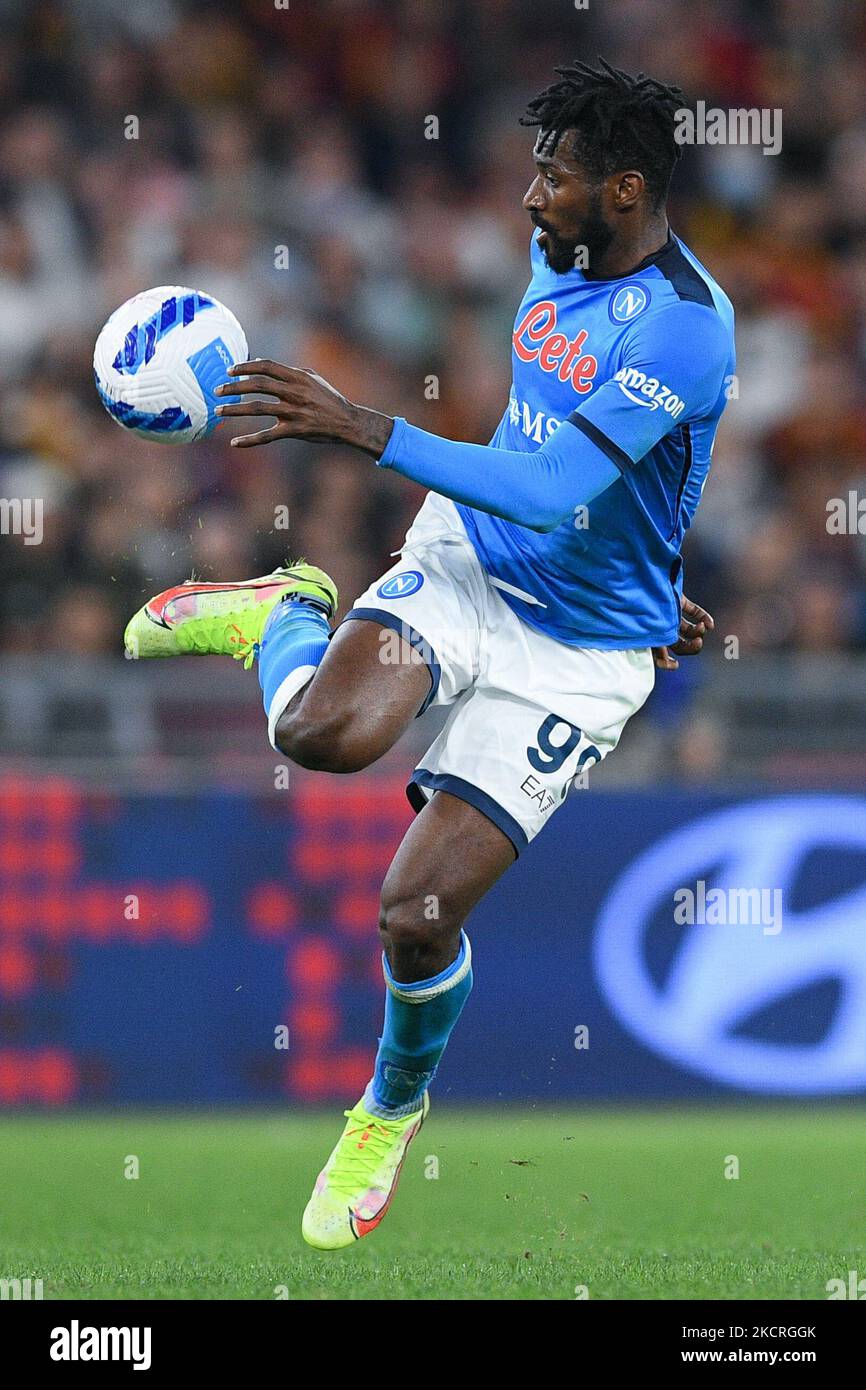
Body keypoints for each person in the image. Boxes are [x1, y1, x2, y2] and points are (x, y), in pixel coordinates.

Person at [124, 59, 733, 1249]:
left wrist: (366, 428)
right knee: (316, 733)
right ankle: (281, 608)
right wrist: (656, 567)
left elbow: (565, 481)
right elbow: (545, 449)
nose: (527, 197)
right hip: (475, 559)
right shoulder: (555, 262)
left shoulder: (684, 328)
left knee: (411, 912)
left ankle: (387, 1105)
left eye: (551, 177)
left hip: (581, 654)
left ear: (622, 187)